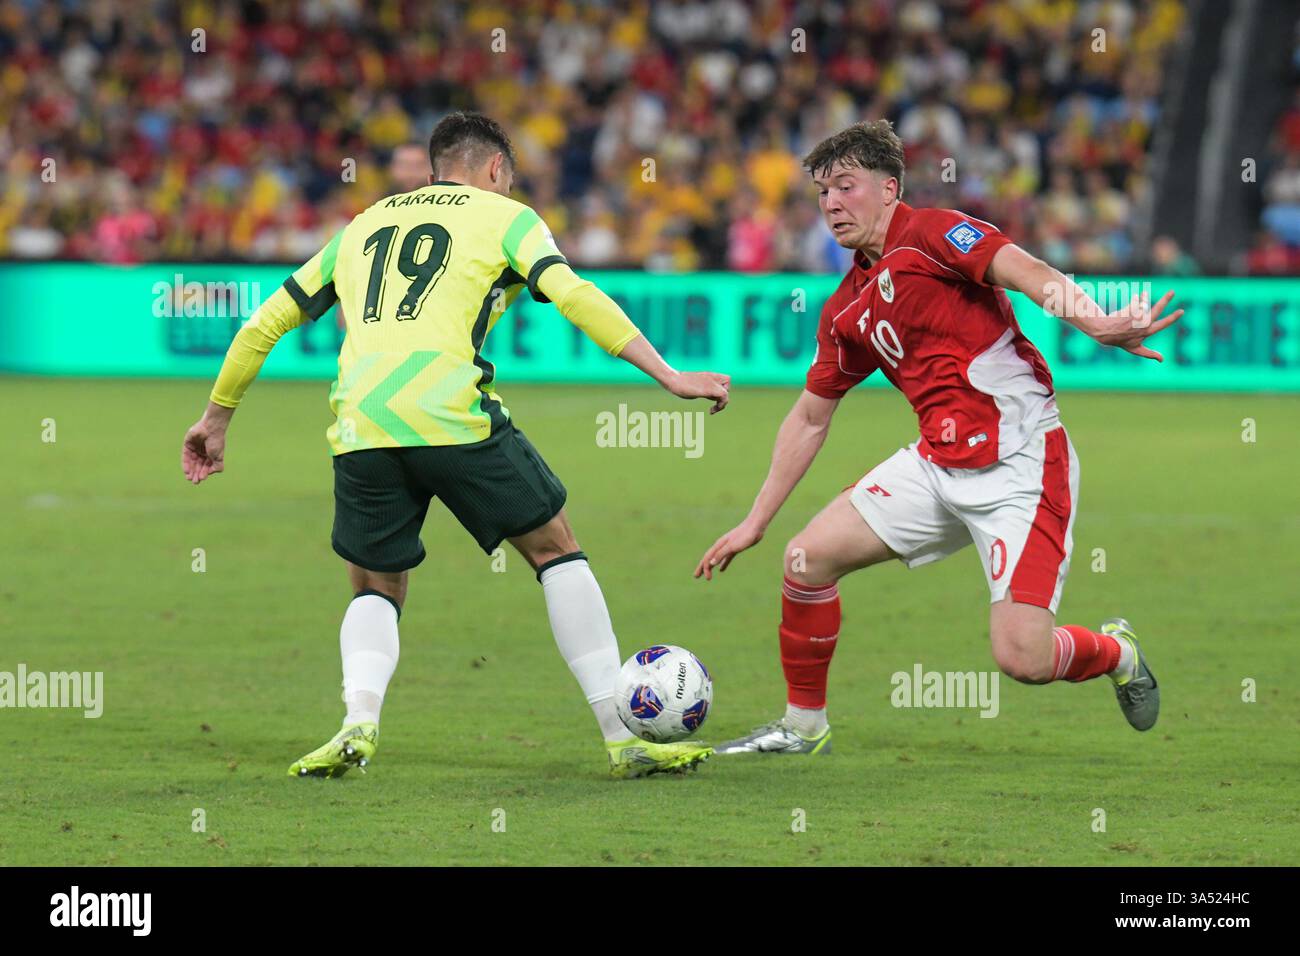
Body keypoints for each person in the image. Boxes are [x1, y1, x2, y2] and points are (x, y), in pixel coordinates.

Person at [182, 111, 730, 778]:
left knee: (375, 586)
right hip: (451, 415)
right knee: (556, 548)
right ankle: (623, 738)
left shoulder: (362, 227)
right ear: (497, 169)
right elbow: (573, 295)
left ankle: (359, 722)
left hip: (362, 425)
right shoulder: (508, 218)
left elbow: (266, 319)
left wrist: (216, 419)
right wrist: (669, 374)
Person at [695, 120, 1179, 755]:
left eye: (847, 186)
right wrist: (755, 521)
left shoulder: (932, 234)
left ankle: (1118, 653)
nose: (832, 204)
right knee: (805, 561)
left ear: (891, 187)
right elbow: (811, 417)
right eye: (822, 193)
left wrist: (1094, 323)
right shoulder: (846, 307)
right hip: (936, 467)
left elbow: (1027, 270)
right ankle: (803, 726)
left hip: (1022, 466)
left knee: (1024, 658)